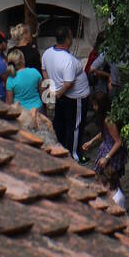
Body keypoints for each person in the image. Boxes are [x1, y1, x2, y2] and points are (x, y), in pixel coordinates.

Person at [42, 26, 90, 161]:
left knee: (61, 123)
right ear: (68, 39)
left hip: (61, 95)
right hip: (76, 97)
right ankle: (74, 156)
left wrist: (52, 87)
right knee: (75, 126)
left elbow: (44, 70)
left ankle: (61, 149)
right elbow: (69, 83)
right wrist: (57, 93)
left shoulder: (47, 53)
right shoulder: (68, 60)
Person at [82, 90, 126, 178]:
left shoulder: (109, 120)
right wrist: (91, 142)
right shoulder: (104, 118)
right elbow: (105, 133)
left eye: (95, 105)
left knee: (109, 180)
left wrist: (107, 157)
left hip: (112, 152)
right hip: (107, 149)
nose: (94, 107)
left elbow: (118, 141)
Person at [4, 47, 47, 132]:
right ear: (22, 60)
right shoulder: (35, 72)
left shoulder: (10, 79)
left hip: (21, 115)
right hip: (38, 110)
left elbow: (9, 103)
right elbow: (42, 94)